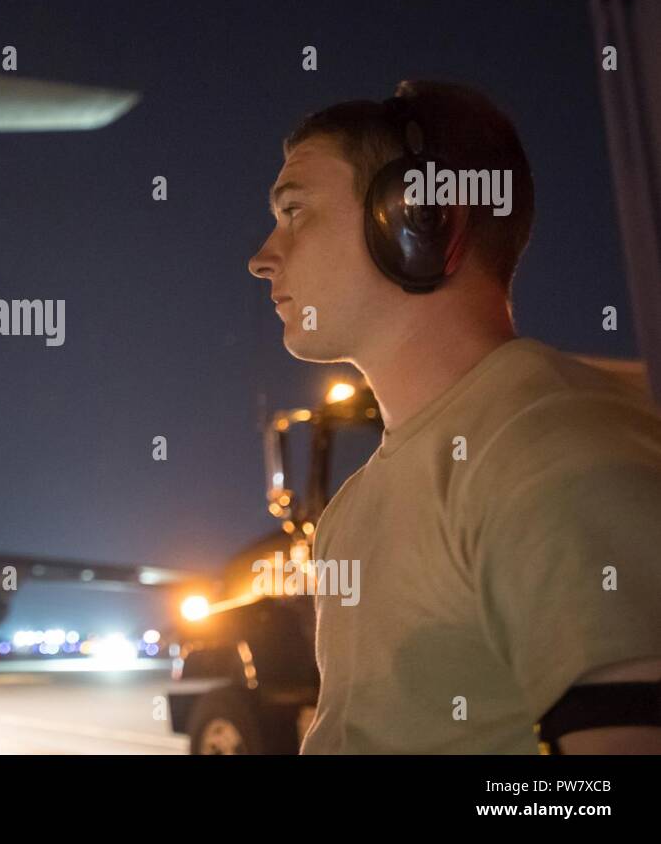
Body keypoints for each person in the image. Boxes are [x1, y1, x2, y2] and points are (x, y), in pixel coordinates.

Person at [247, 80, 661, 753]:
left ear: (417, 218)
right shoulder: (352, 508)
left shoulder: (551, 447)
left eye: (295, 212)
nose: (262, 258)